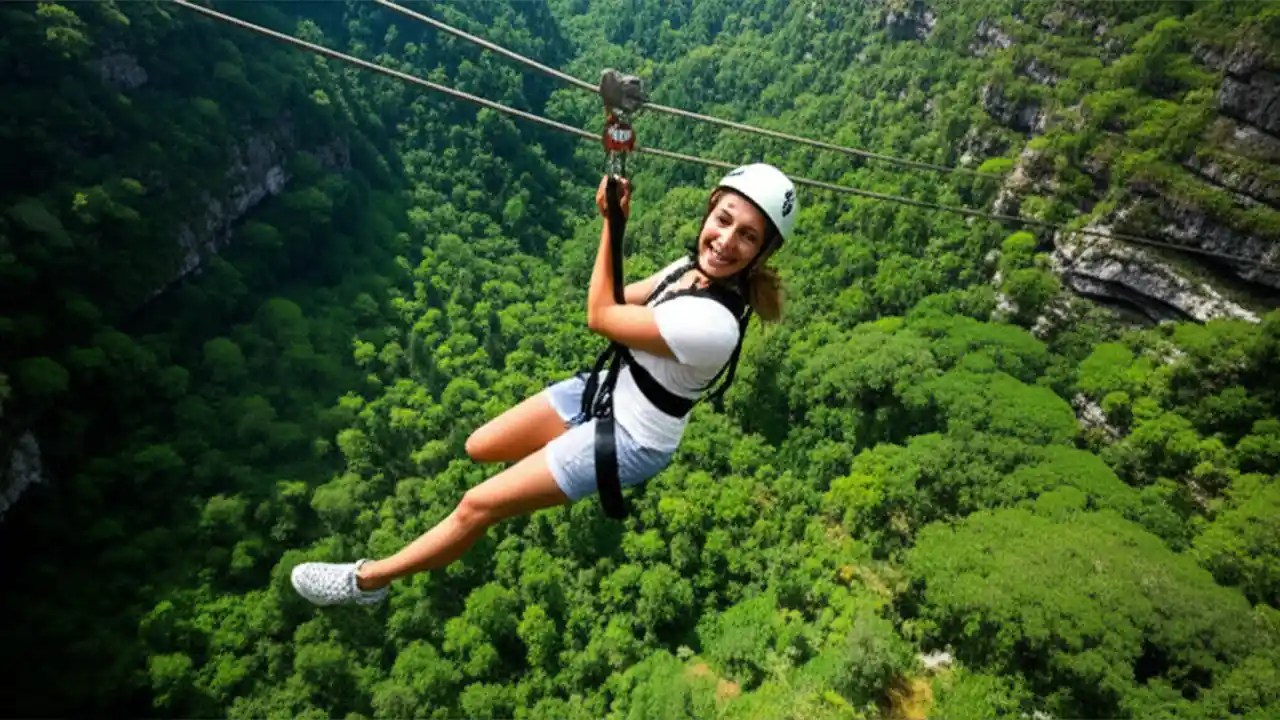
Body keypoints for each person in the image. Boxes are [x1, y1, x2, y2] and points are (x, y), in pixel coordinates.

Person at [290, 163, 797, 606]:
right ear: (709, 211)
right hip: (606, 388)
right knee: (479, 447)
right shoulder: (690, 269)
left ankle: (367, 582)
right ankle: (528, 483)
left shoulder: (716, 327)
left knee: (476, 504)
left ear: (762, 252)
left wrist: (609, 224)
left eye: (748, 237)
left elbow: (600, 316)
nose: (727, 242)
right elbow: (620, 296)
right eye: (724, 221)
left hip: (630, 437)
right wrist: (616, 225)